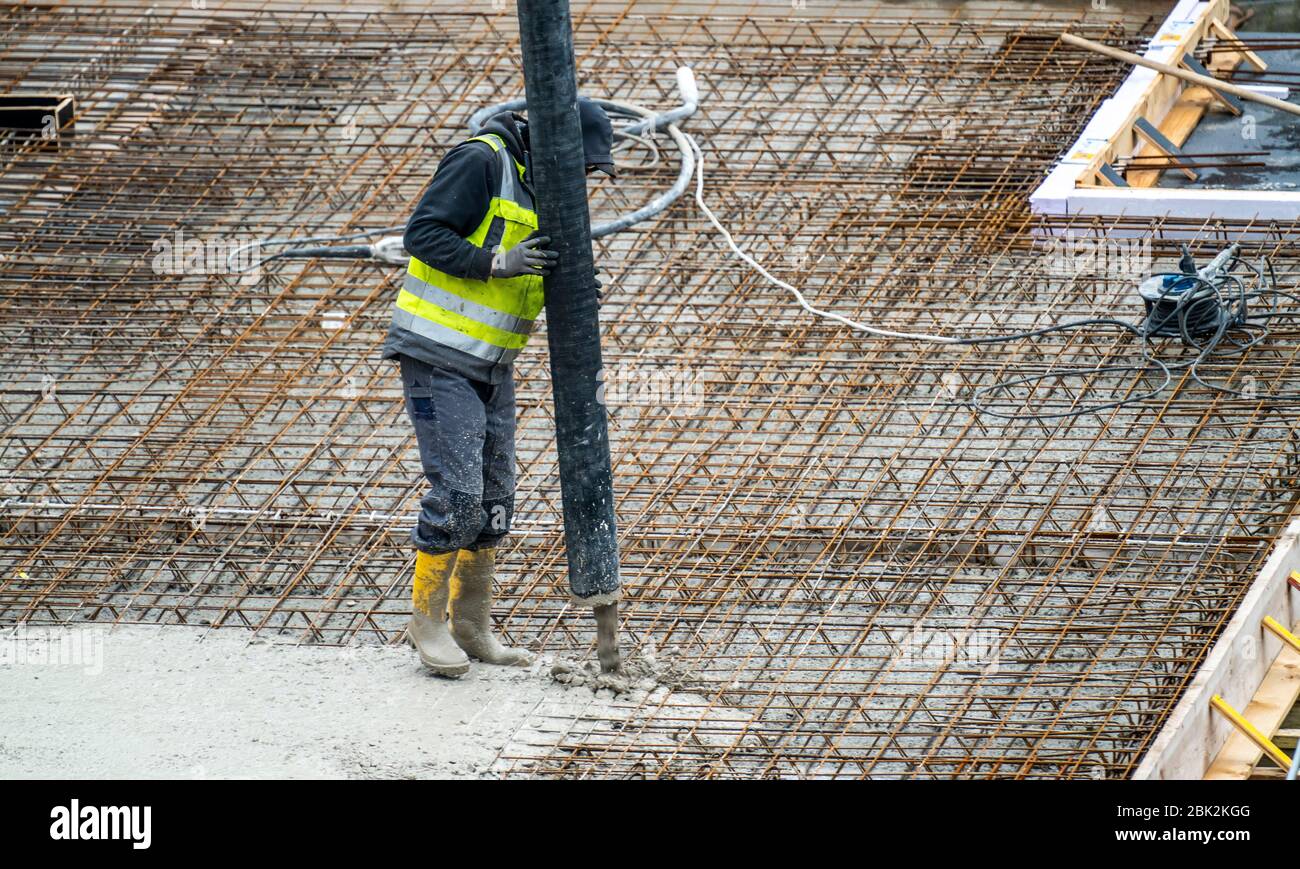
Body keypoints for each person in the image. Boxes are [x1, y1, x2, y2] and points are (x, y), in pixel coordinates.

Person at [383, 98, 615, 676]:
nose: (584, 179)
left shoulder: (549, 189)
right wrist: (493, 261)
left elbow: (533, 276)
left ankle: (471, 624)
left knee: (493, 501)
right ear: (549, 147)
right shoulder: (483, 162)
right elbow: (423, 234)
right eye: (581, 166)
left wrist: (574, 288)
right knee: (457, 496)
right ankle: (427, 622)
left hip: (491, 364)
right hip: (439, 356)